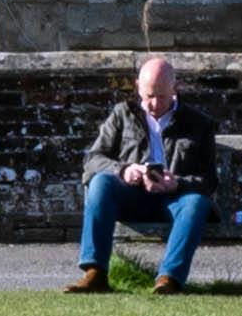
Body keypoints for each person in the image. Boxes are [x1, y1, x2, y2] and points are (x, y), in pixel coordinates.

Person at [68, 54, 226, 293]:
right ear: (138, 87)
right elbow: (93, 159)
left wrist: (177, 183)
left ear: (175, 88)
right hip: (132, 195)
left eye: (161, 96)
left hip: (175, 201)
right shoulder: (122, 115)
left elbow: (209, 180)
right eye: (149, 96)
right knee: (100, 182)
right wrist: (124, 170)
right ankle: (95, 273)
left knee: (196, 203)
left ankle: (169, 279)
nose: (154, 103)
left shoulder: (199, 123)